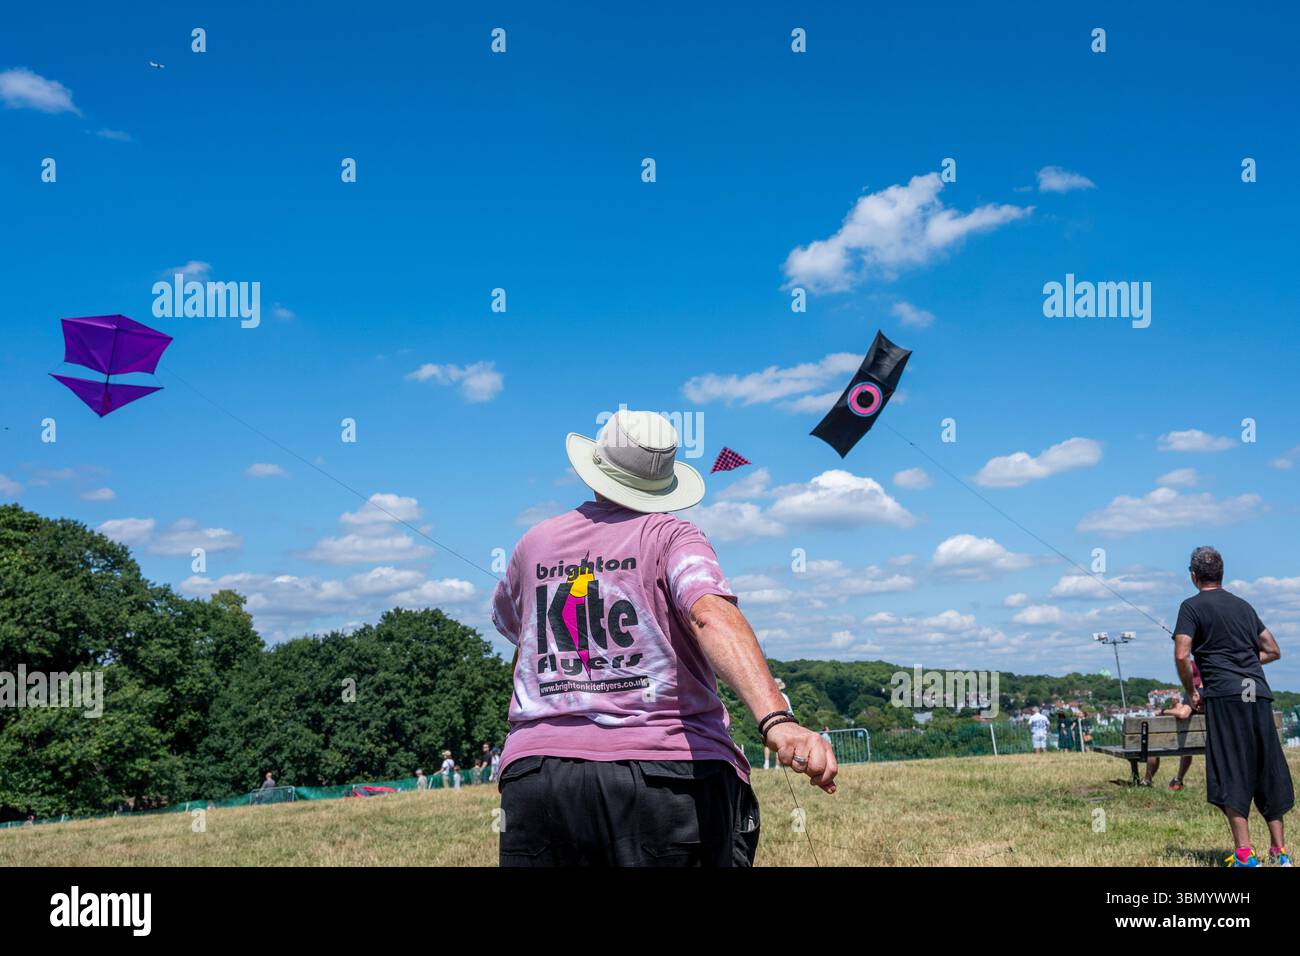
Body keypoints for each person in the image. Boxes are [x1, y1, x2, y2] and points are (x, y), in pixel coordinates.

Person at [492, 410, 837, 867]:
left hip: (538, 778)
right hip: (666, 775)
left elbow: (521, 634)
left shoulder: (534, 543)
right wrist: (777, 720)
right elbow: (710, 614)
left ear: (596, 468)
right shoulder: (673, 535)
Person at [1174, 546, 1293, 867]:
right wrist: (1242, 663)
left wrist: (1192, 691)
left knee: (1231, 767)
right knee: (1266, 765)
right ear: (1221, 575)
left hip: (1225, 695)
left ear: (1194, 576)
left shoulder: (1191, 606)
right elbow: (1273, 649)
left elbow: (1182, 655)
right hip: (1256, 691)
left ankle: (1244, 853)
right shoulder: (1243, 606)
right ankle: (1280, 852)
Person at [1141, 662, 1204, 791]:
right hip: (1200, 741)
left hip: (1185, 741)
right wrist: (1175, 706)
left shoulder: (1195, 693)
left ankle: (1147, 780)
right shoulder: (1211, 691)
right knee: (1187, 742)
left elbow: (1183, 713)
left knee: (1155, 743)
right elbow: (1186, 708)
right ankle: (1178, 779)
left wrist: (1164, 712)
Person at [763, 679, 794, 770]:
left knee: (767, 745)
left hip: (767, 721)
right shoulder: (784, 696)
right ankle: (777, 766)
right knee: (779, 744)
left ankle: (767, 764)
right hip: (782, 721)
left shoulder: (767, 696)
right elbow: (790, 711)